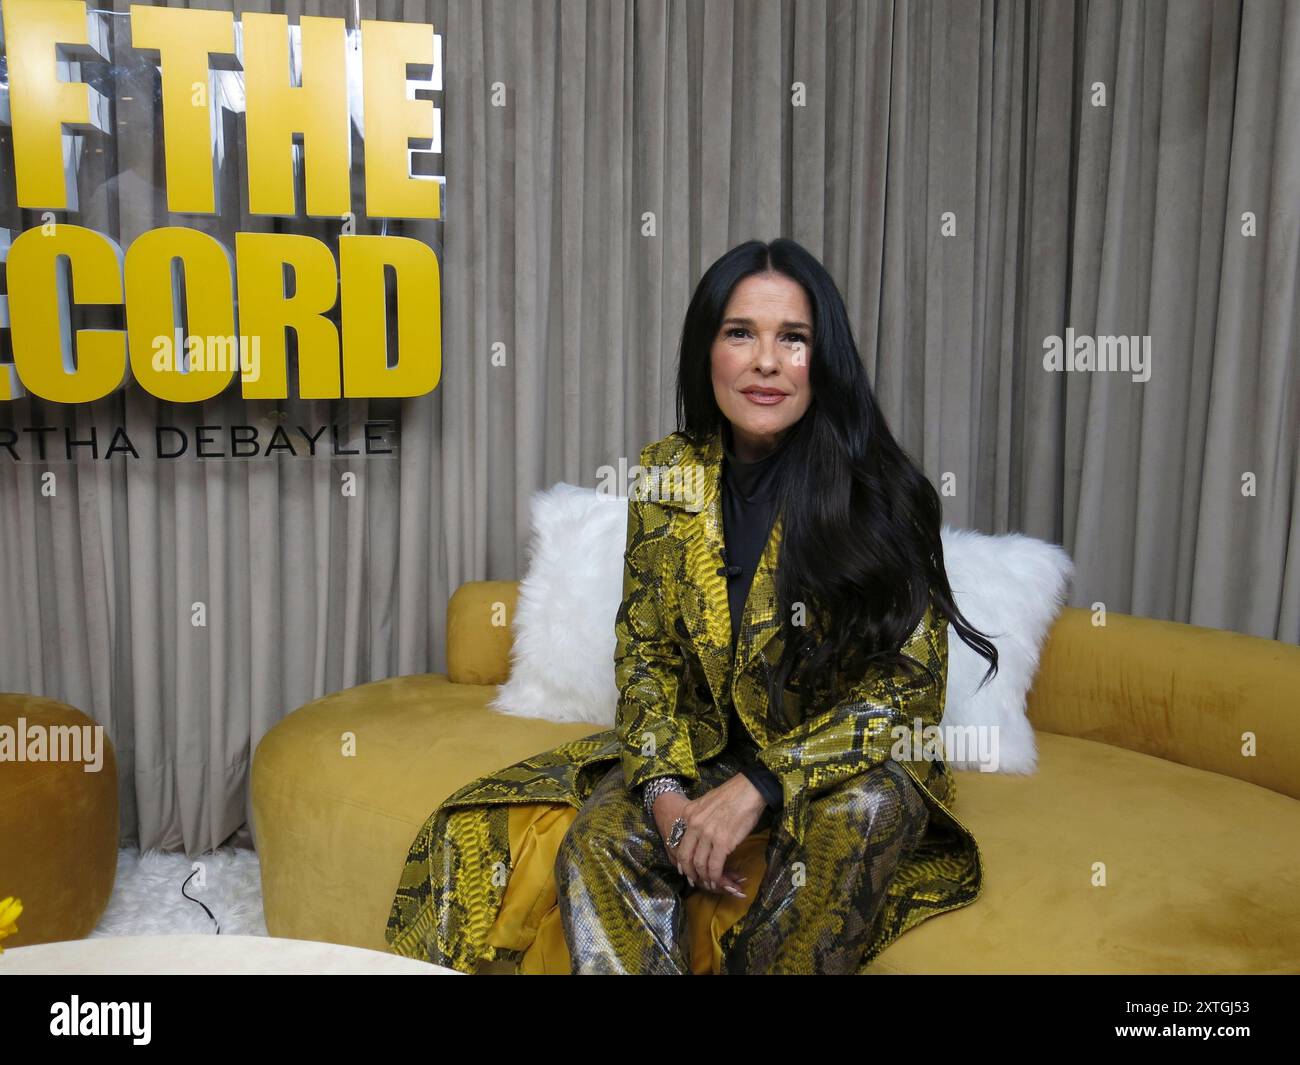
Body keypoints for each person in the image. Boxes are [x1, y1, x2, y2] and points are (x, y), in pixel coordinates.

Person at [386, 237, 998, 974]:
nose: (766, 361)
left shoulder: (880, 491)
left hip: (844, 764)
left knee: (862, 812)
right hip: (707, 749)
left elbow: (908, 692)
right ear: (707, 352)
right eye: (741, 333)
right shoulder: (667, 472)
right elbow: (643, 652)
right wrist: (668, 795)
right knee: (603, 835)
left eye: (793, 338)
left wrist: (765, 784)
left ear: (823, 359)